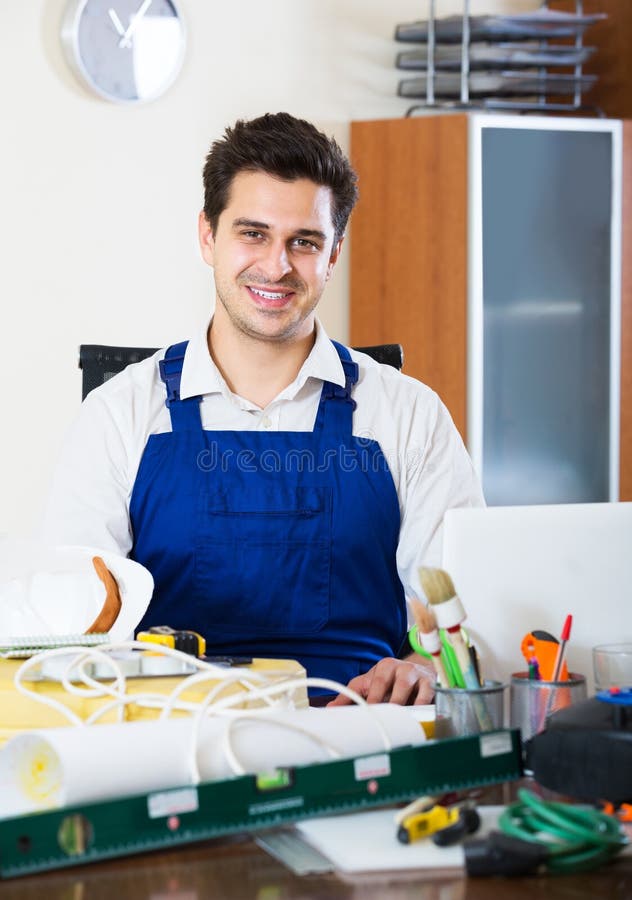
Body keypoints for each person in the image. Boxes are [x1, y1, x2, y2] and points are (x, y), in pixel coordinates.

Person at [42, 112, 484, 705]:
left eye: (304, 242)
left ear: (334, 253)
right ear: (208, 235)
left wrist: (429, 667)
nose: (277, 266)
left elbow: (463, 617)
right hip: (174, 729)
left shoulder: (410, 416)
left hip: (359, 724)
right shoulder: (117, 416)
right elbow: (75, 630)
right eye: (253, 233)